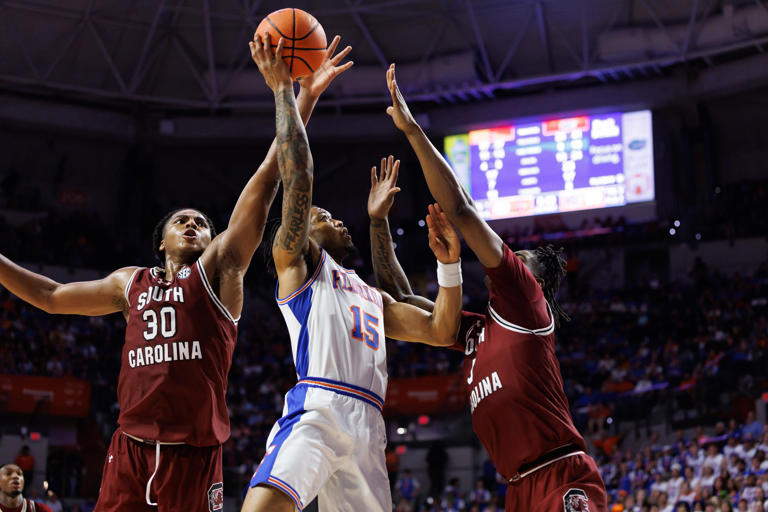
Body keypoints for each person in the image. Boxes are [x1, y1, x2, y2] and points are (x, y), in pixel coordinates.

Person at [0, 33, 353, 512]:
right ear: (160, 241)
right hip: (129, 451)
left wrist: (299, 96)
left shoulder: (220, 269)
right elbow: (52, 295)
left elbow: (269, 179)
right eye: (181, 221)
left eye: (202, 222)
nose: (193, 224)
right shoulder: (130, 283)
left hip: (194, 458)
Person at [368, 63, 609, 511]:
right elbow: (401, 302)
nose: (509, 259)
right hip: (517, 486)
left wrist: (413, 130)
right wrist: (379, 222)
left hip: (558, 475)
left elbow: (460, 208)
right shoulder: (480, 331)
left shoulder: (526, 301)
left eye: (519, 259)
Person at [241, 34, 463, 512]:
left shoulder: (370, 296)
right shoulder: (297, 267)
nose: (335, 219)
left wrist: (449, 267)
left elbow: (443, 330)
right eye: (321, 216)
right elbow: (298, 174)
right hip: (318, 407)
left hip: (369, 424)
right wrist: (288, 90)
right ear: (301, 230)